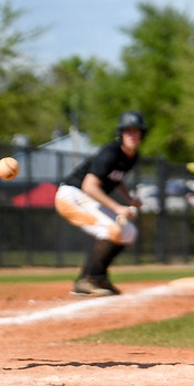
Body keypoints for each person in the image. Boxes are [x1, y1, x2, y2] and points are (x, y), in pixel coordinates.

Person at [55, 110, 147, 296]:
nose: (132, 134)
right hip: (72, 196)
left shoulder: (131, 156)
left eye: (136, 131)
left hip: (87, 198)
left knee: (128, 233)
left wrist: (129, 199)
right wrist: (118, 207)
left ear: (142, 134)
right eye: (128, 130)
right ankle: (86, 279)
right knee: (111, 230)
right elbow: (89, 186)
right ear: (121, 133)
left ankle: (99, 277)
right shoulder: (111, 152)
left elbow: (116, 178)